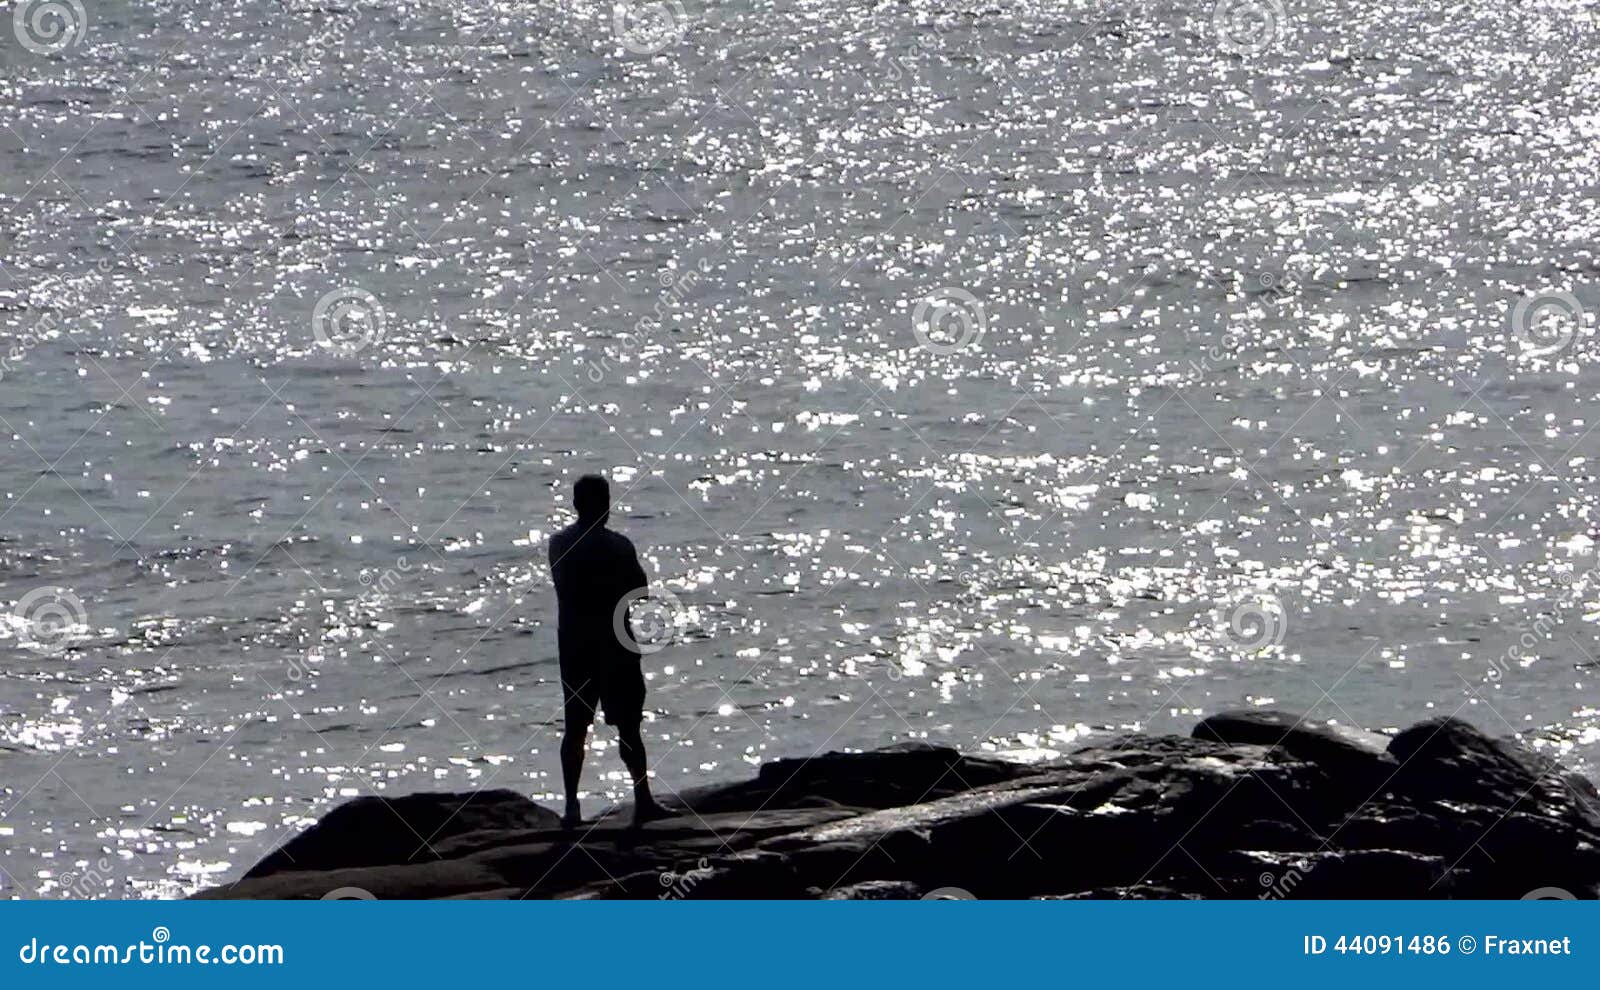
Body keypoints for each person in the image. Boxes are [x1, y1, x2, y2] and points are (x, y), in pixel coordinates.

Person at [548, 474, 671, 828]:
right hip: (614, 644)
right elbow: (641, 589)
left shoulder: (559, 544)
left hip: (573, 646)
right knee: (629, 727)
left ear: (575, 504)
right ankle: (643, 800)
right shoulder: (617, 546)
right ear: (605, 505)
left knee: (575, 727)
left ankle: (572, 807)